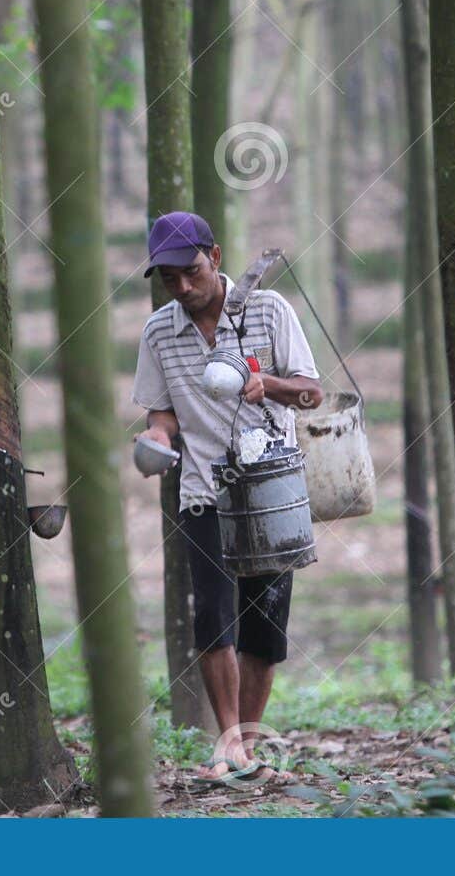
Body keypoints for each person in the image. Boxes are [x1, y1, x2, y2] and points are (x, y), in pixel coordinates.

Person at [131, 211, 323, 783]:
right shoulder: (158, 332)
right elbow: (162, 412)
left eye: (190, 271)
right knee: (214, 615)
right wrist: (157, 437)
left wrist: (270, 385)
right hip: (204, 488)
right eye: (169, 278)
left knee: (264, 623)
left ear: (214, 257)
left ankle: (246, 746)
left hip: (272, 487)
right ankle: (229, 743)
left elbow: (312, 393)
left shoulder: (269, 310)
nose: (182, 286)